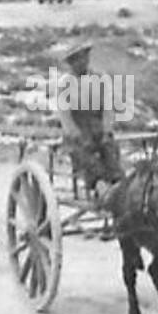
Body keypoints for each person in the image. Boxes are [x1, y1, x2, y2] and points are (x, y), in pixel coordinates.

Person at [56, 42, 122, 198]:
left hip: (97, 128)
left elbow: (108, 108)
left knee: (110, 150)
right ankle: (99, 185)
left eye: (84, 57)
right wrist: (75, 133)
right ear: (71, 63)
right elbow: (65, 115)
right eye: (77, 59)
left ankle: (117, 184)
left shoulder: (100, 79)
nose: (82, 62)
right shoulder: (65, 83)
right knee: (85, 155)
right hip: (77, 132)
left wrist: (106, 130)